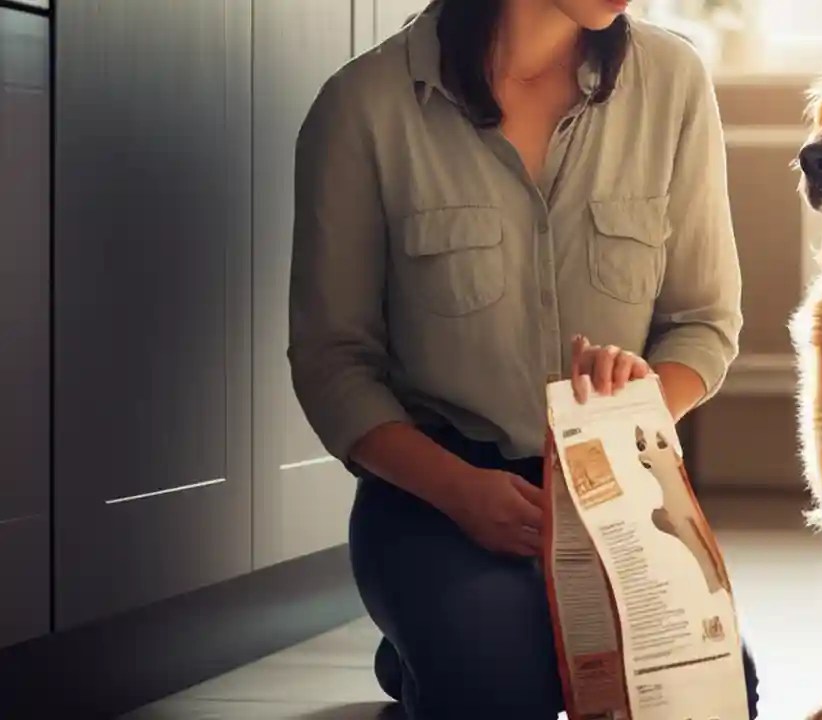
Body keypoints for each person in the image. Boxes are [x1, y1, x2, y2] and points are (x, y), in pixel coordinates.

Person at [288, 0, 757, 717]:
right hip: (437, 496)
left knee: (712, 695)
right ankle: (435, 638)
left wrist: (638, 401)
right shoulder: (363, 107)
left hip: (616, 506)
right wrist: (458, 491)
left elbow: (704, 322)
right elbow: (333, 363)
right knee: (502, 685)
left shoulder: (674, 81)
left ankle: (441, 645)